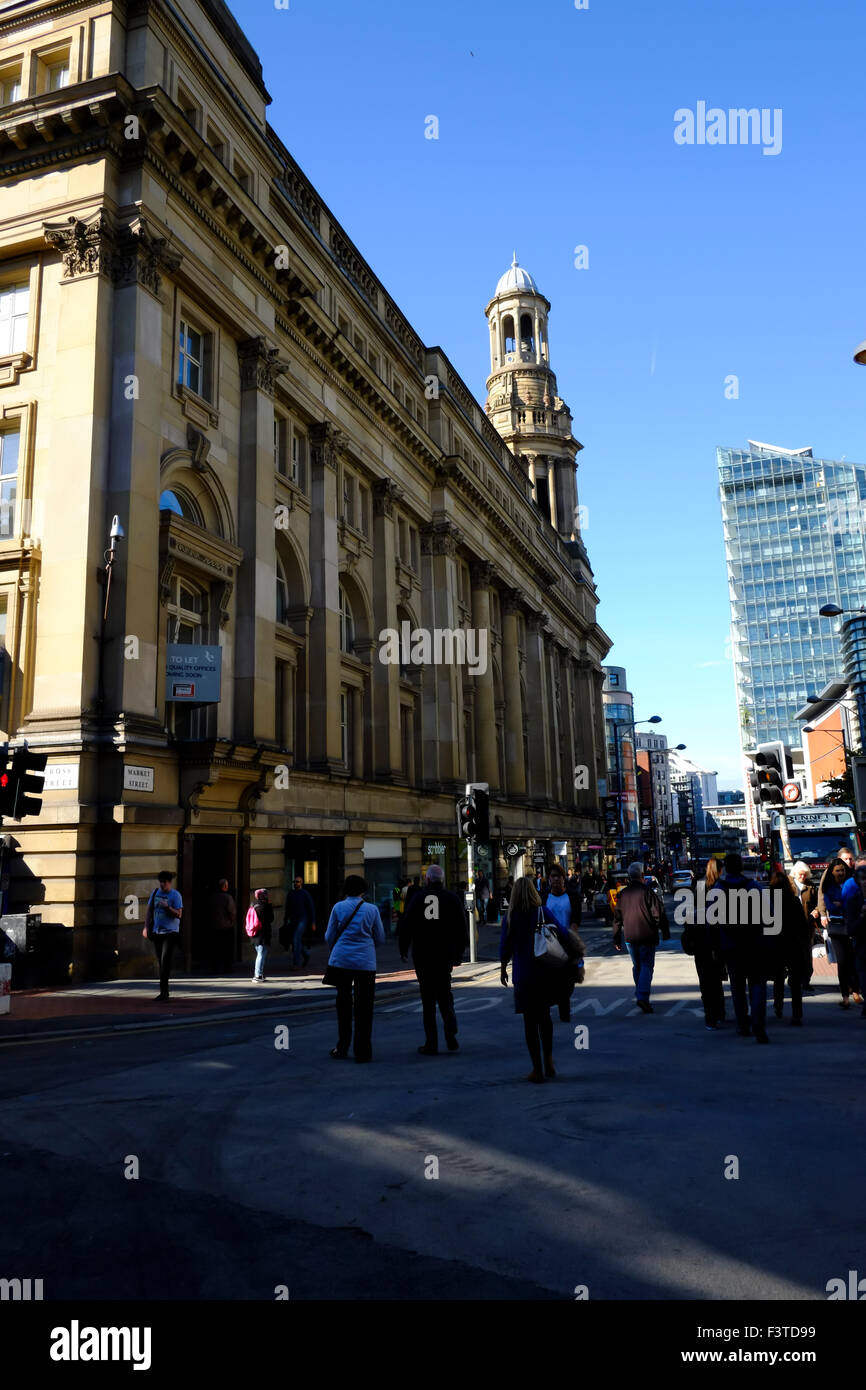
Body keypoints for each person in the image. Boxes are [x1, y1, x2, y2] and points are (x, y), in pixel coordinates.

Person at [499, 875, 570, 1083]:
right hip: (544, 974)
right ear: (532, 891)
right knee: (545, 1019)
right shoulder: (542, 912)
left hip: (523, 976)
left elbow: (505, 946)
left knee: (529, 1023)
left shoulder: (510, 917)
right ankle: (549, 1061)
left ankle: (536, 1069)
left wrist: (503, 968)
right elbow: (562, 933)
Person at [398, 865, 469, 1054]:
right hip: (444, 955)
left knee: (428, 1001)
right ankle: (451, 1033)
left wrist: (403, 949)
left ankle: (431, 1042)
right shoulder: (452, 898)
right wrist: (459, 954)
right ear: (442, 880)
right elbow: (461, 928)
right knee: (445, 996)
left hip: (423, 956)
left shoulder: (418, 898)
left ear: (427, 880)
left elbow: (407, 925)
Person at [324, 876, 385, 1062]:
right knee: (364, 1007)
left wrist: (339, 948)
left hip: (341, 961)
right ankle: (363, 1052)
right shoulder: (372, 909)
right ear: (363, 891)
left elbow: (329, 936)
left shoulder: (338, 907)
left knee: (343, 1005)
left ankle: (342, 1047)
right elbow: (380, 938)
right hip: (365, 963)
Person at [712, 852, 770, 1043]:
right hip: (754, 943)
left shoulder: (719, 889)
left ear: (726, 868)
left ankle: (742, 1025)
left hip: (730, 946)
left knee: (737, 988)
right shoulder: (753, 886)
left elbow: (712, 920)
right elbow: (769, 914)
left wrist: (716, 945)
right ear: (742, 867)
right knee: (758, 984)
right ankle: (758, 1024)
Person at [613, 861, 670, 1013]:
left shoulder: (623, 894)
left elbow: (617, 918)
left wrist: (616, 938)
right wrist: (663, 930)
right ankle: (642, 996)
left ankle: (640, 993)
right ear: (642, 876)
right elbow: (658, 913)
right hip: (647, 935)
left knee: (637, 965)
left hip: (630, 936)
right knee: (646, 965)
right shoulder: (648, 892)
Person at [768, 869, 811, 1025]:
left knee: (778, 979)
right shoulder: (793, 901)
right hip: (793, 944)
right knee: (795, 981)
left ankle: (778, 1007)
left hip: (776, 944)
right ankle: (797, 1014)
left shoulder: (768, 901)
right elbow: (802, 924)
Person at [691, 858, 727, 1030]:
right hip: (719, 939)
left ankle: (710, 1017)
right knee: (717, 978)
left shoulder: (699, 886)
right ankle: (720, 1013)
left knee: (705, 981)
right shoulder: (723, 886)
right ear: (720, 870)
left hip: (701, 940)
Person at [820, 857, 857, 1007]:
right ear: (832, 872)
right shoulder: (828, 887)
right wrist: (843, 904)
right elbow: (832, 906)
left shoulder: (852, 884)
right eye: (837, 871)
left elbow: (853, 903)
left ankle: (856, 991)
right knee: (842, 962)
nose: (841, 873)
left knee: (854, 960)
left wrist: (841, 903)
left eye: (842, 870)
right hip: (836, 928)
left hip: (853, 926)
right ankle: (845, 996)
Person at [145, 870, 182, 1002]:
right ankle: (163, 991)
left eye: (164, 883)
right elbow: (149, 911)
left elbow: (179, 914)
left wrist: (167, 908)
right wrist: (146, 927)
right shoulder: (155, 893)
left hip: (171, 932)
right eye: (160, 883)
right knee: (160, 961)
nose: (162, 885)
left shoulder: (175, 895)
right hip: (157, 931)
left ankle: (164, 992)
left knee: (165, 959)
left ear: (169, 883)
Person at [840, 856, 866, 1010]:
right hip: (861, 944)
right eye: (863, 879)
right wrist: (862, 916)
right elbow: (850, 928)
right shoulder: (853, 901)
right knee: (863, 978)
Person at [789, 861, 818, 995]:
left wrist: (816, 911)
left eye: (805, 875)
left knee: (807, 954)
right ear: (795, 873)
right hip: (791, 926)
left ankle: (806, 981)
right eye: (800, 874)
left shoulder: (811, 885)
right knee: (793, 953)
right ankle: (793, 978)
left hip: (807, 925)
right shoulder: (787, 884)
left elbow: (818, 902)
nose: (803, 877)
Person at [282, 875, 317, 969]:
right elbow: (287, 908)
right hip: (293, 920)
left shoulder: (305, 894)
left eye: (297, 882)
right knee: (295, 941)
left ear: (301, 883)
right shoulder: (291, 893)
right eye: (294, 881)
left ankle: (296, 963)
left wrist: (313, 922)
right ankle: (306, 954)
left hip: (302, 920)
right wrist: (285, 919)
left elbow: (311, 908)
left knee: (296, 939)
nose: (295, 883)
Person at [208, 878, 236, 973]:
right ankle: (227, 967)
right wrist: (232, 921)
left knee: (216, 947)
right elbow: (232, 911)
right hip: (226, 926)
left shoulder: (213, 897)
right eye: (226, 885)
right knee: (227, 948)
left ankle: (215, 967)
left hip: (214, 926)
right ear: (224, 887)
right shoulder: (228, 897)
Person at [248, 888, 273, 982]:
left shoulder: (253, 905)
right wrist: (269, 905)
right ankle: (257, 975)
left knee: (260, 953)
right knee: (261, 954)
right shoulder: (265, 906)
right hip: (263, 934)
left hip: (254, 934)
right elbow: (271, 919)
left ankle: (260, 974)